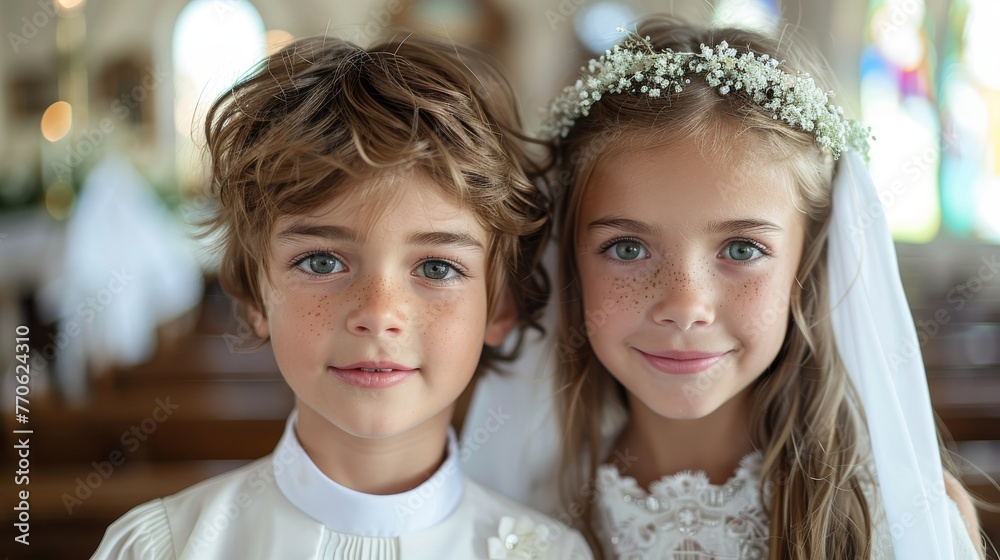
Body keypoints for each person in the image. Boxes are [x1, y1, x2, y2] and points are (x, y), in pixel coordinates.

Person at [482, 16, 984, 559]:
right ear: (570, 261)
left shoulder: (892, 523)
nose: (684, 307)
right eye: (627, 248)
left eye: (742, 250)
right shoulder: (519, 523)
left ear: (807, 266)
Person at [91, 32, 592, 560]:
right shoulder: (160, 547)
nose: (378, 314)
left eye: (437, 267)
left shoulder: (553, 555)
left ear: (501, 304)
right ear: (256, 295)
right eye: (322, 262)